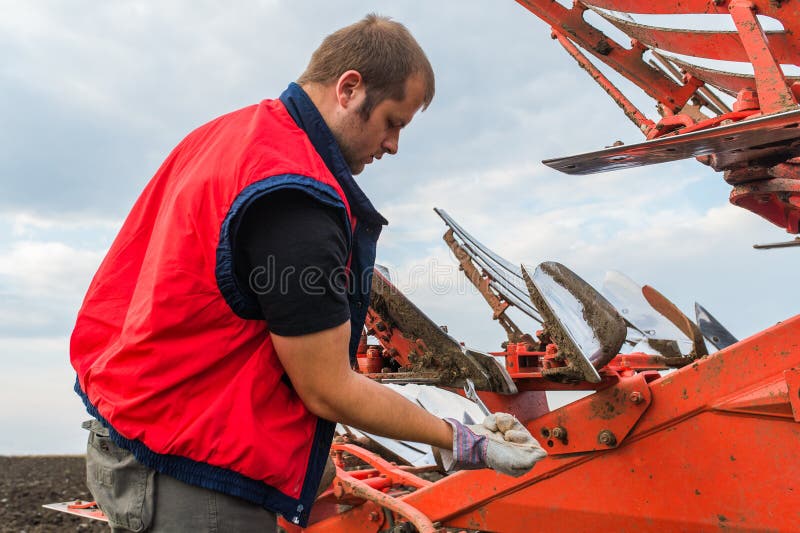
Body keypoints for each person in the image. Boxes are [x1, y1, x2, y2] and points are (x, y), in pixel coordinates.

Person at [70, 14, 546, 532]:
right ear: (349, 88)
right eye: (393, 121)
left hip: (133, 431)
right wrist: (461, 438)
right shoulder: (295, 196)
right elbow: (327, 389)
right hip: (194, 475)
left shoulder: (225, 137)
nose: (393, 145)